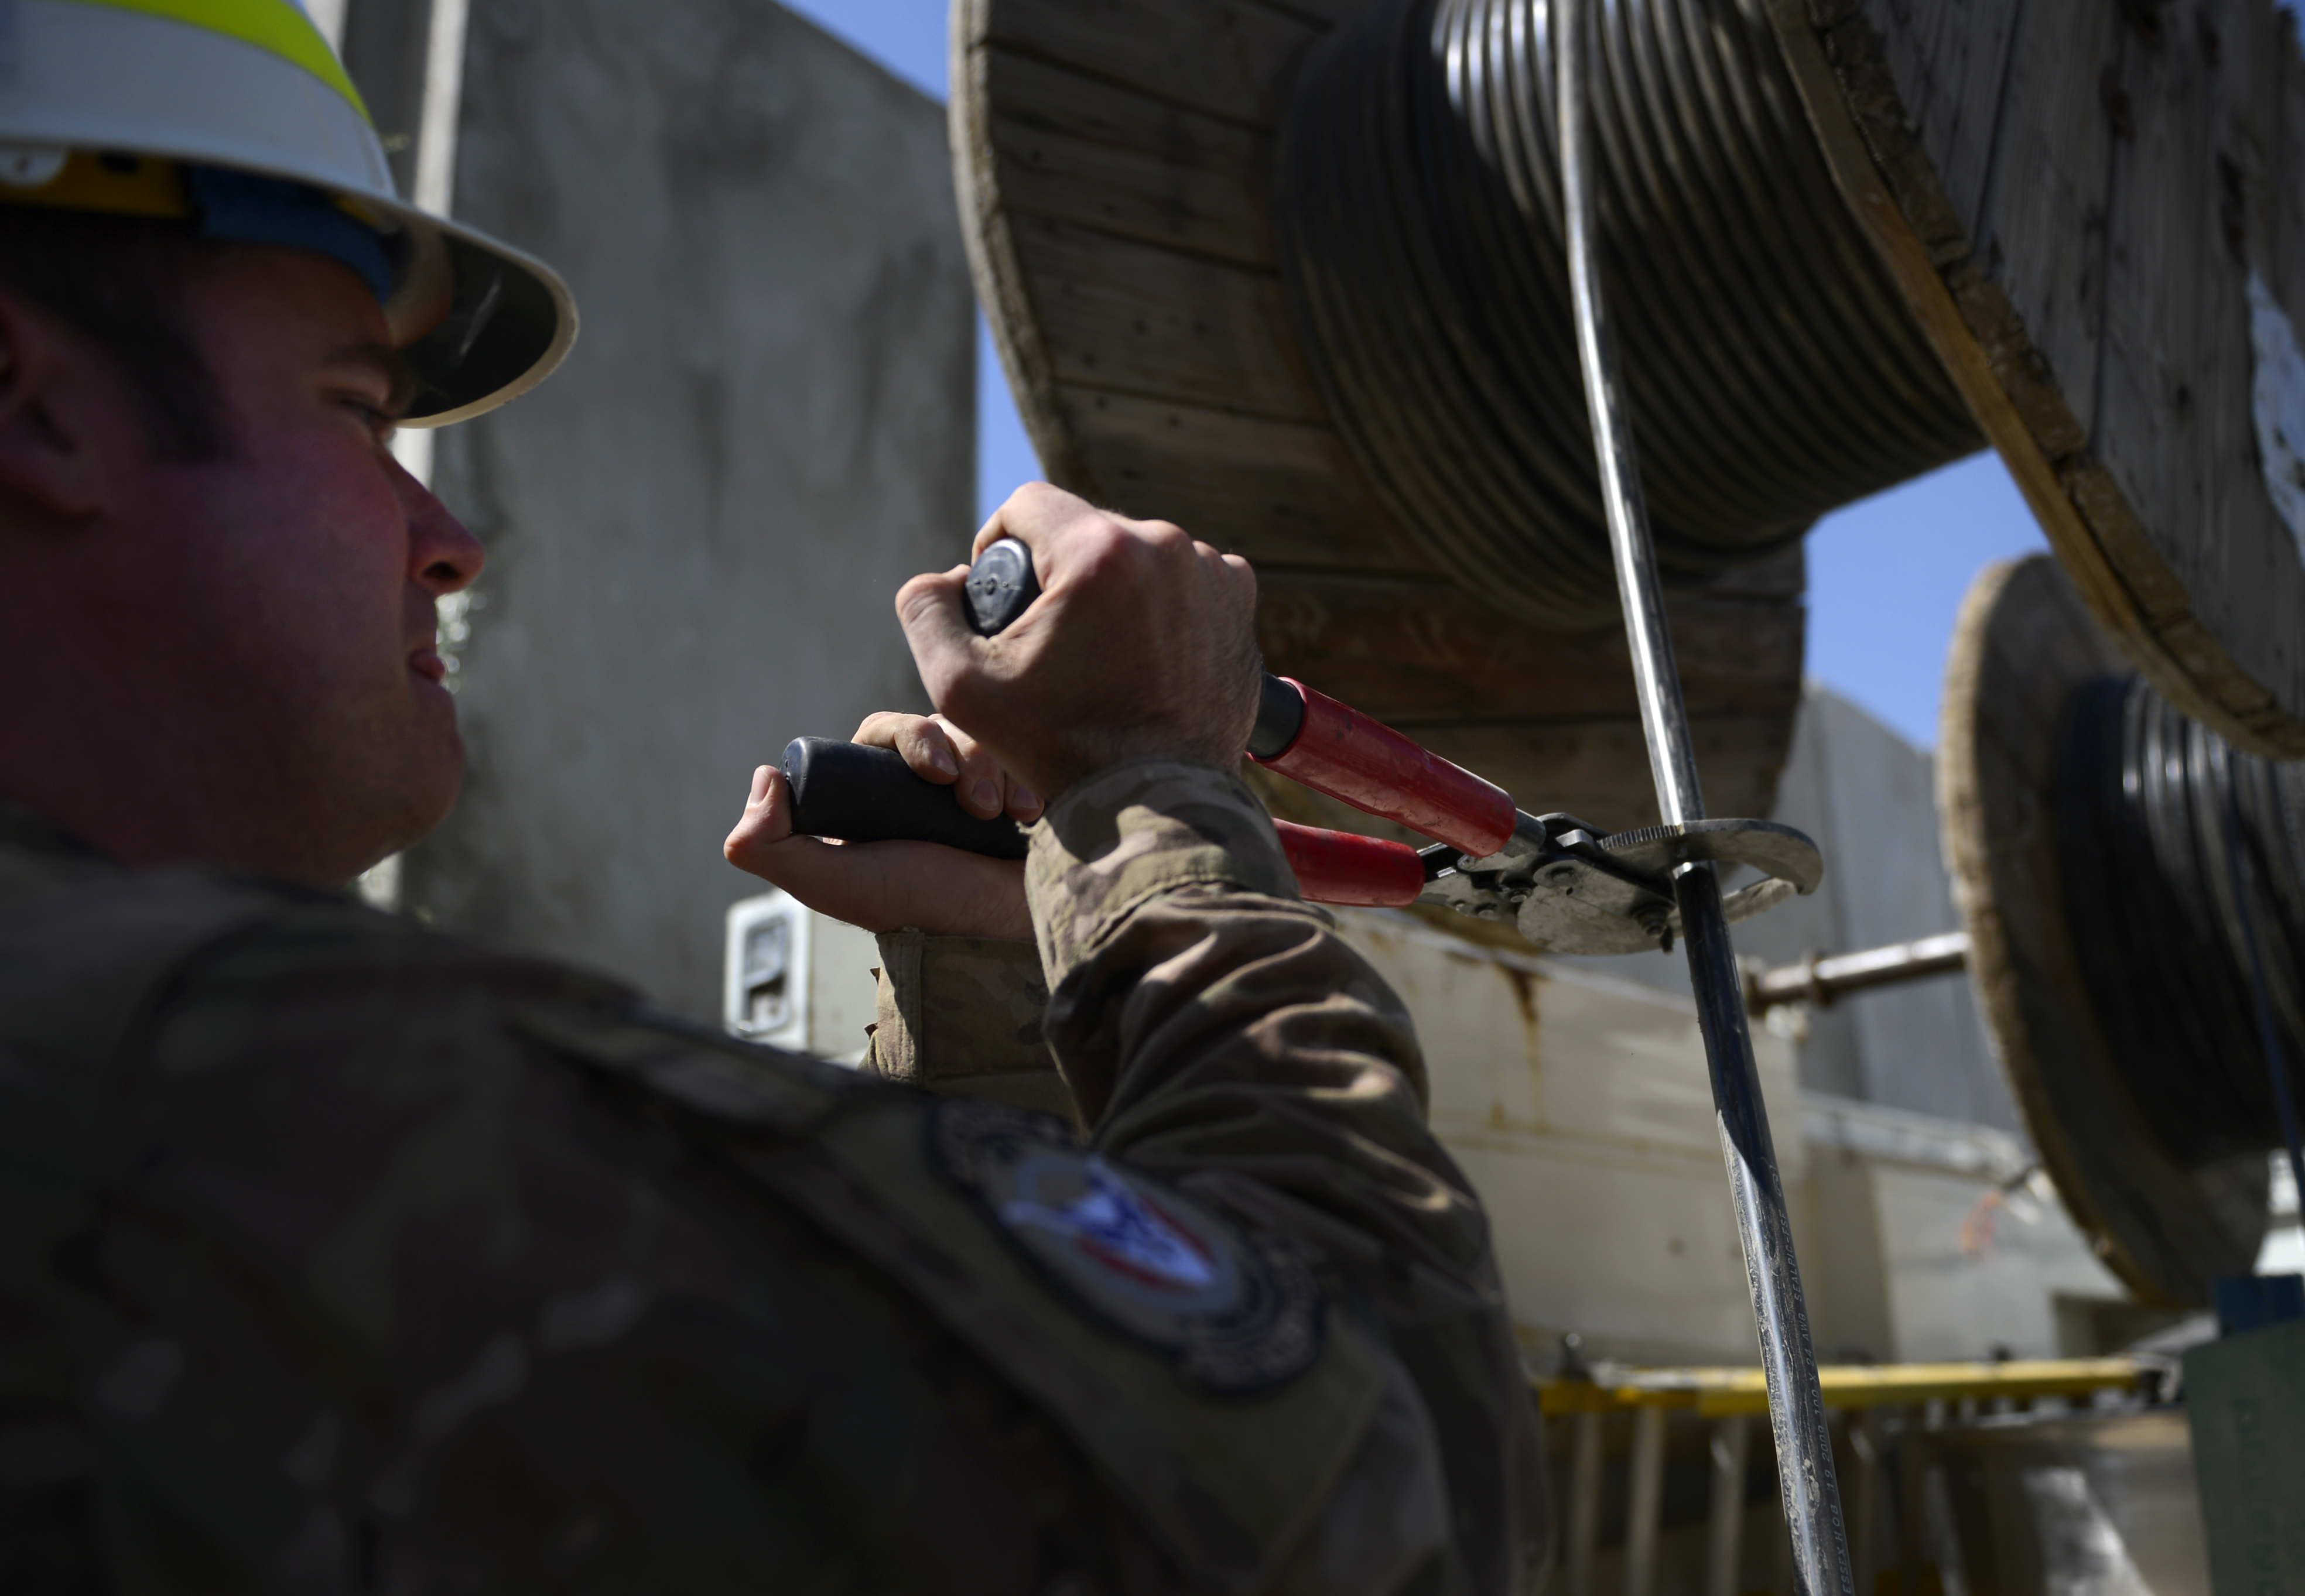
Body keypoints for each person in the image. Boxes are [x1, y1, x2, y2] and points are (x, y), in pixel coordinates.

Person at [0, 1, 1549, 1591]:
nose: (447, 534)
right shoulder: (216, 1083)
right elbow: (1390, 1482)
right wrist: (1153, 793)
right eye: (352, 406)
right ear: (27, 395)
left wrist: (1008, 971)